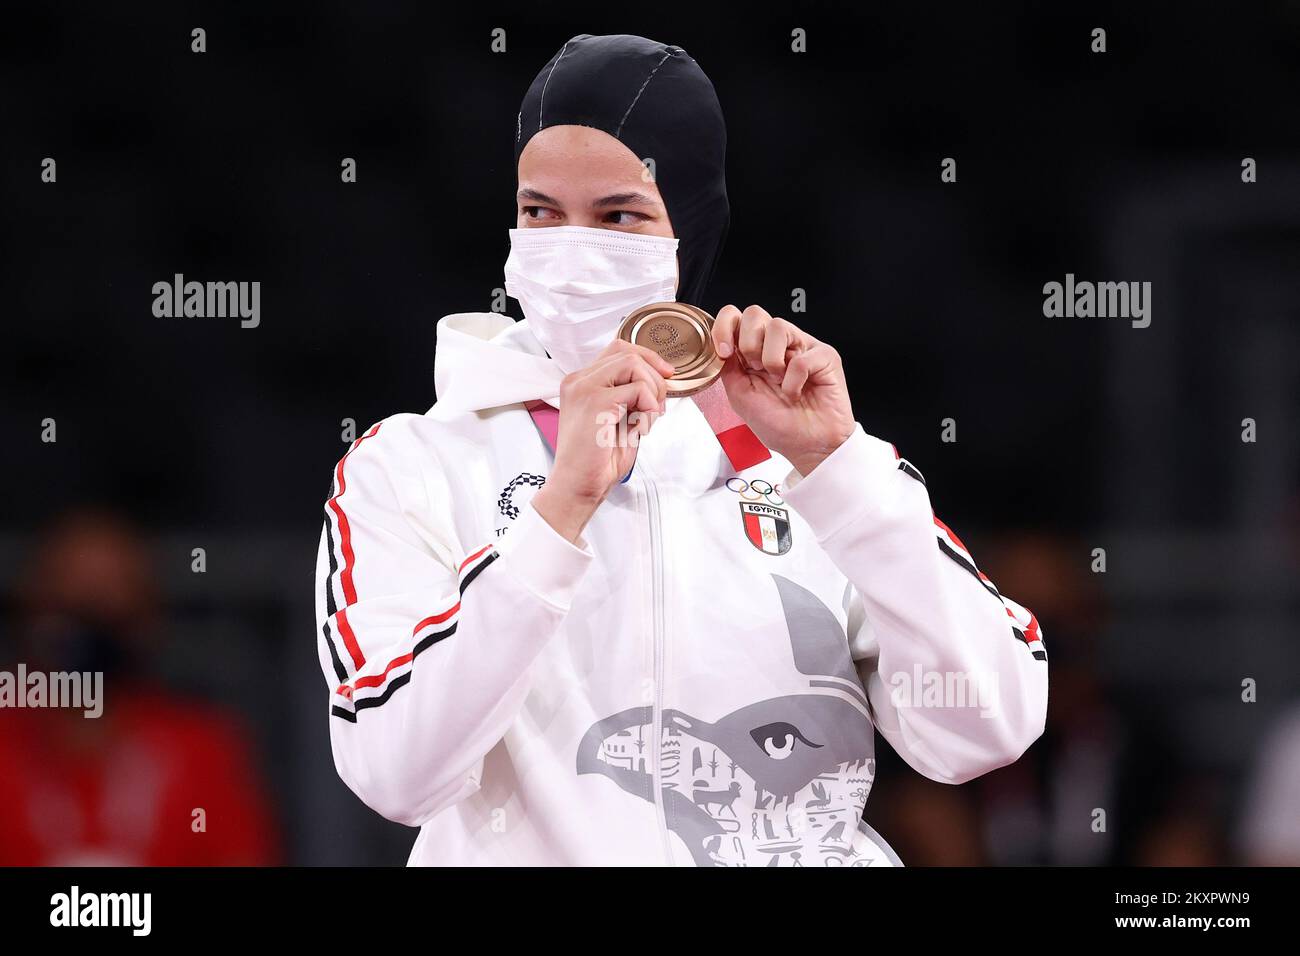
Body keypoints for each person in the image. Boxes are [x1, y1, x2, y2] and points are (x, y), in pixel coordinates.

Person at [314, 33, 1048, 866]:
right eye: (539, 211)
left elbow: (983, 729)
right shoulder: (409, 466)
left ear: (689, 228)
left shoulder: (809, 464)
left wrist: (843, 472)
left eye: (620, 214)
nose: (570, 247)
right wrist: (556, 519)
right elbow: (394, 773)